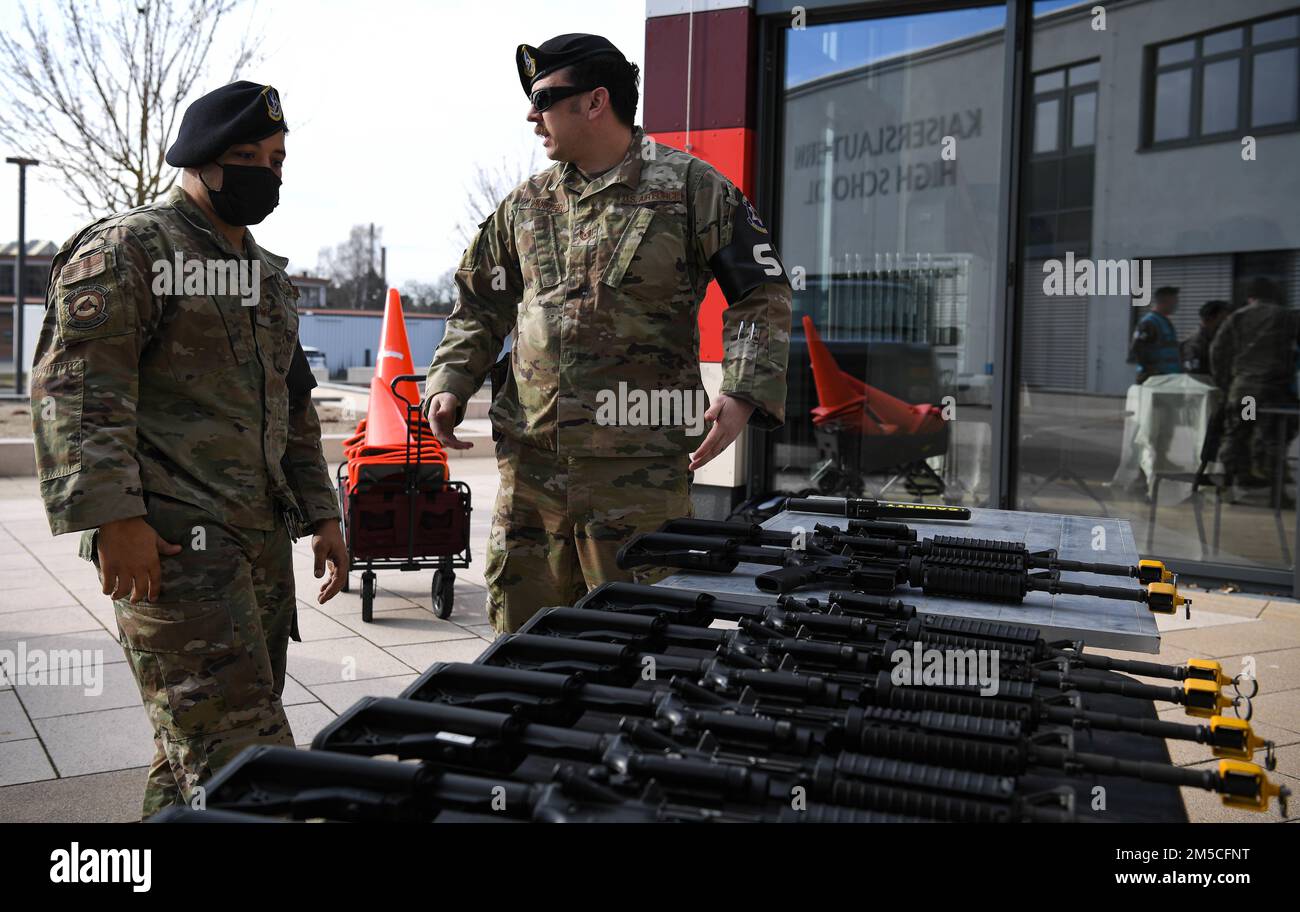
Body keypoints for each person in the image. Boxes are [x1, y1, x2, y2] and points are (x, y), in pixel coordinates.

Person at [28, 81, 348, 819]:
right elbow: (79, 394)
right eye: (246, 157)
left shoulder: (267, 277)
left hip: (257, 552)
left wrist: (321, 515)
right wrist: (113, 520)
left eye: (276, 159)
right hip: (173, 553)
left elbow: (292, 407)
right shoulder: (130, 249)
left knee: (193, 761)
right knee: (249, 765)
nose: (265, 173)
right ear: (200, 159)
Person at [424, 34, 792, 634]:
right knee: (523, 645)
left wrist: (743, 389)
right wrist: (451, 379)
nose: (530, 114)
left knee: (645, 639)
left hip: (637, 474)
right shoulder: (526, 206)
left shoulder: (694, 190)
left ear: (595, 102)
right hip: (532, 472)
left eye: (542, 97)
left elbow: (763, 290)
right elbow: (479, 304)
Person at [1210, 277, 1300, 497]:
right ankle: (1277, 494)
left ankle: (1229, 484)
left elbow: (1218, 352)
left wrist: (1227, 383)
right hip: (1273, 392)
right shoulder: (1286, 316)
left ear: (1251, 297)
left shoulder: (1237, 317)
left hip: (1246, 393)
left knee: (1240, 432)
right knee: (1273, 438)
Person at [1128, 286, 1182, 383]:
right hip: (1153, 379)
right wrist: (1151, 370)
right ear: (1164, 301)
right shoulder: (1149, 323)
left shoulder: (1165, 321)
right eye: (1174, 301)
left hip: (1167, 378)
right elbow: (1137, 349)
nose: (1176, 304)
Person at [1180, 299, 1230, 376]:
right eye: (1223, 319)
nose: (1226, 323)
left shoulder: (1220, 338)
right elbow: (1192, 372)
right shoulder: (1194, 343)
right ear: (1210, 319)